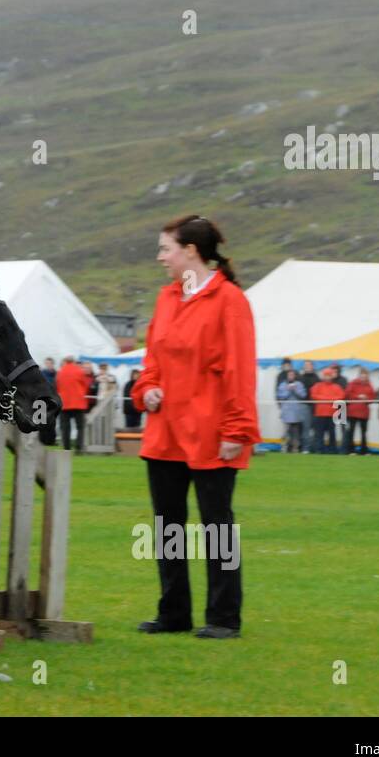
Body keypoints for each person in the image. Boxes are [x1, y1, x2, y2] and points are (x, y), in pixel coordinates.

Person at [134, 214, 258, 640]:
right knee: (168, 526)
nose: (160, 257)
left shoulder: (230, 301)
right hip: (165, 432)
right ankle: (174, 612)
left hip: (212, 432)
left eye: (166, 249)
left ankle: (224, 617)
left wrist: (237, 430)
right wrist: (147, 388)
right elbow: (152, 359)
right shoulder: (166, 298)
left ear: (191, 252)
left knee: (217, 526)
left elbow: (240, 370)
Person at [55, 356, 92, 452]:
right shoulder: (79, 371)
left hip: (65, 403)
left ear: (65, 361)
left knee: (65, 428)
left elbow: (57, 386)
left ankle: (66, 448)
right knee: (80, 427)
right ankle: (79, 448)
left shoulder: (60, 372)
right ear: (74, 361)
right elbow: (85, 385)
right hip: (78, 403)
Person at [308, 367, 344, 454]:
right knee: (319, 434)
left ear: (332, 376)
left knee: (332, 434)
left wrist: (324, 399)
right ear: (323, 376)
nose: (327, 377)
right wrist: (330, 399)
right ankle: (319, 450)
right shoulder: (317, 386)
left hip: (332, 414)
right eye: (326, 375)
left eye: (329, 375)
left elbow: (341, 396)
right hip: (320, 414)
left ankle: (332, 450)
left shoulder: (337, 387)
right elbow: (313, 395)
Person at [343, 367, 376, 454]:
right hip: (353, 412)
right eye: (362, 376)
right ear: (359, 376)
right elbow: (347, 394)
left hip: (364, 413)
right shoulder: (352, 383)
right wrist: (358, 396)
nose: (363, 378)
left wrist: (367, 398)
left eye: (365, 376)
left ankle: (364, 451)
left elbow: (372, 398)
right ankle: (351, 450)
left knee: (364, 432)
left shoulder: (369, 385)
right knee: (351, 432)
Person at [276, 369, 308, 453]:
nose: (291, 376)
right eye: (289, 375)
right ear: (287, 376)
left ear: (295, 376)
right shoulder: (283, 385)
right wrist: (288, 390)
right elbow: (280, 396)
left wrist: (295, 390)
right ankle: (284, 447)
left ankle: (295, 448)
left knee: (296, 431)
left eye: (292, 375)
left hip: (296, 412)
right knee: (285, 430)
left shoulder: (299, 384)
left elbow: (303, 395)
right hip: (286, 412)